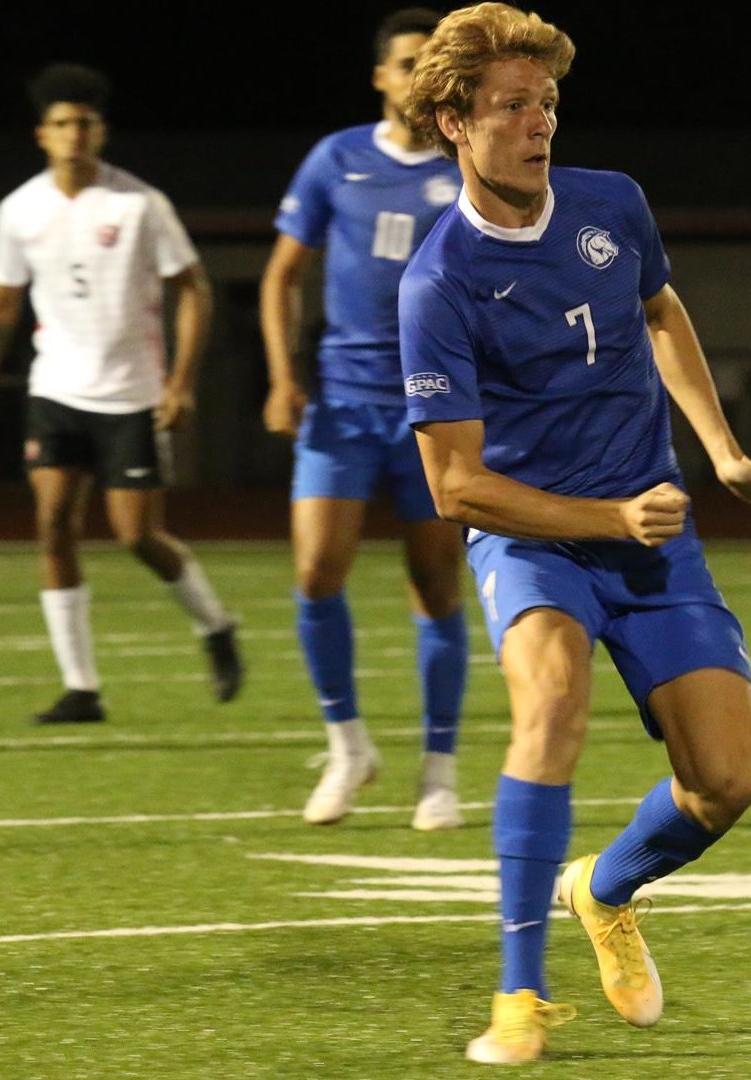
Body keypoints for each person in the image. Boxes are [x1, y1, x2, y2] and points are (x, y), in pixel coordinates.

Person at [397, 3, 751, 1063]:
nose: (538, 124)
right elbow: (455, 487)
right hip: (532, 538)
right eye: (510, 107)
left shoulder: (610, 203)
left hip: (650, 535)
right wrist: (604, 518)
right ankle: (519, 996)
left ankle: (605, 888)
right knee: (551, 704)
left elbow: (659, 311)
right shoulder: (438, 282)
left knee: (727, 782)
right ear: (453, 122)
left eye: (546, 103)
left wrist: (720, 452)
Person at [0, 64, 243, 724]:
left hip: (131, 396)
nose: (73, 134)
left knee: (137, 535)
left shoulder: (138, 204)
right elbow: (0, 304)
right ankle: (81, 687)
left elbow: (193, 288)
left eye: (84, 123)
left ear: (100, 131)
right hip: (54, 391)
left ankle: (215, 624)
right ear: (42, 134)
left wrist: (180, 383)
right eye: (61, 124)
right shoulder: (20, 210)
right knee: (53, 526)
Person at [261, 8, 472, 831]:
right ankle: (347, 746)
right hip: (343, 402)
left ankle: (439, 771)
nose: (418, 75)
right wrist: (283, 376)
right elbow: (281, 275)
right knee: (317, 572)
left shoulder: (467, 162)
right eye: (406, 63)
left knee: (436, 582)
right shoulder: (336, 158)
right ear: (381, 76)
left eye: (431, 63)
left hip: (435, 406)